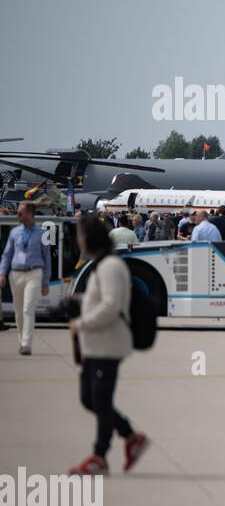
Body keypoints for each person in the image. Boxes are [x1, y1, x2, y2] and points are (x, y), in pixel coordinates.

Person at [68, 214, 149, 475]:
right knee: (89, 398)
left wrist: (82, 323)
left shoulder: (111, 266)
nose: (78, 241)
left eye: (80, 236)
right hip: (95, 345)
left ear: (89, 238)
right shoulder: (100, 265)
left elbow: (111, 306)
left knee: (100, 400)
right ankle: (130, 436)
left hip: (108, 344)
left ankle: (99, 456)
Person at [0, 201, 51, 355]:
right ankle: (21, 338)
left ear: (30, 214)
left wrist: (45, 281)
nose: (18, 215)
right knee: (18, 311)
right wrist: (2, 273)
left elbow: (46, 257)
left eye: (21, 213)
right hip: (15, 274)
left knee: (28, 308)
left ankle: (26, 343)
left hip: (34, 273)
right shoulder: (14, 232)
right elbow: (7, 254)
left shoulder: (42, 234)